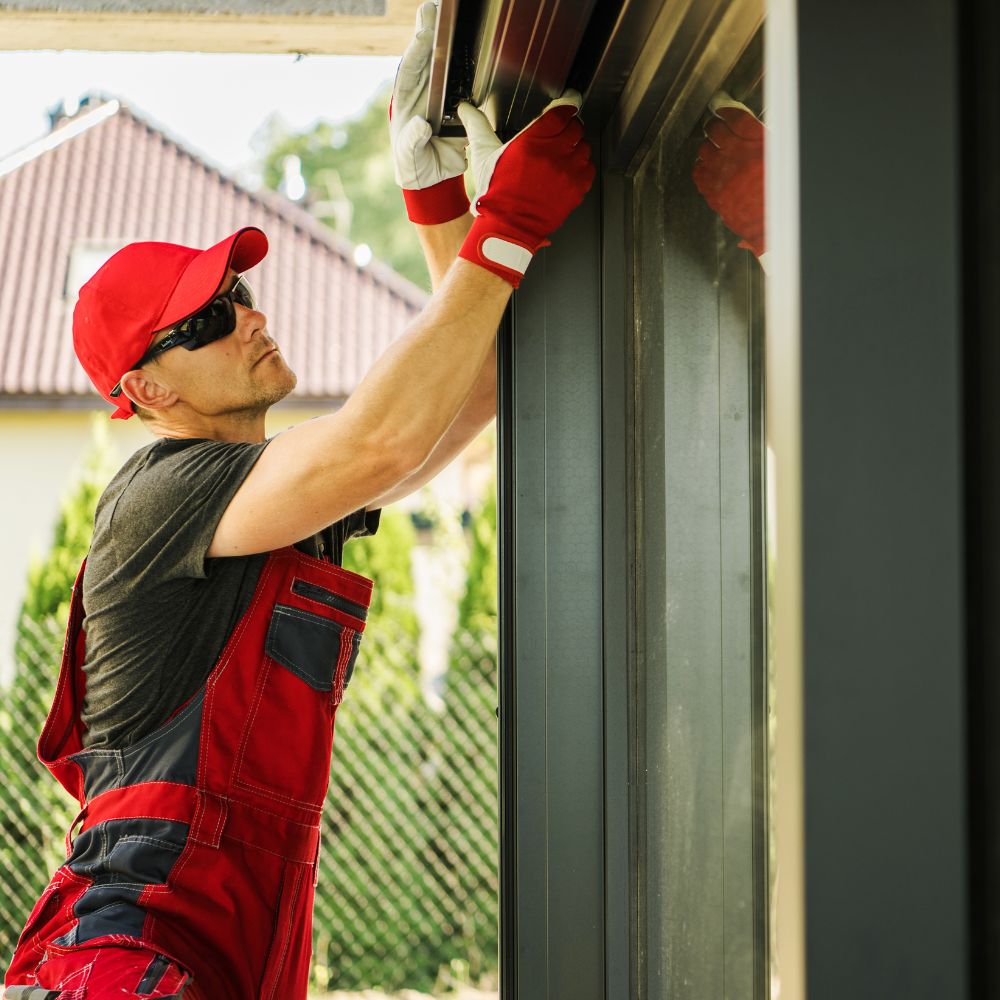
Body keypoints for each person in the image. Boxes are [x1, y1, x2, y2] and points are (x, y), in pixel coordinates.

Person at [2, 3, 594, 997]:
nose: (250, 315)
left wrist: (433, 190)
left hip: (232, 928)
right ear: (148, 391)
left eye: (241, 294)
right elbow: (383, 436)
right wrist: (504, 230)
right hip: (128, 948)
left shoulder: (264, 500)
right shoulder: (160, 495)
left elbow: (473, 392)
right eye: (208, 316)